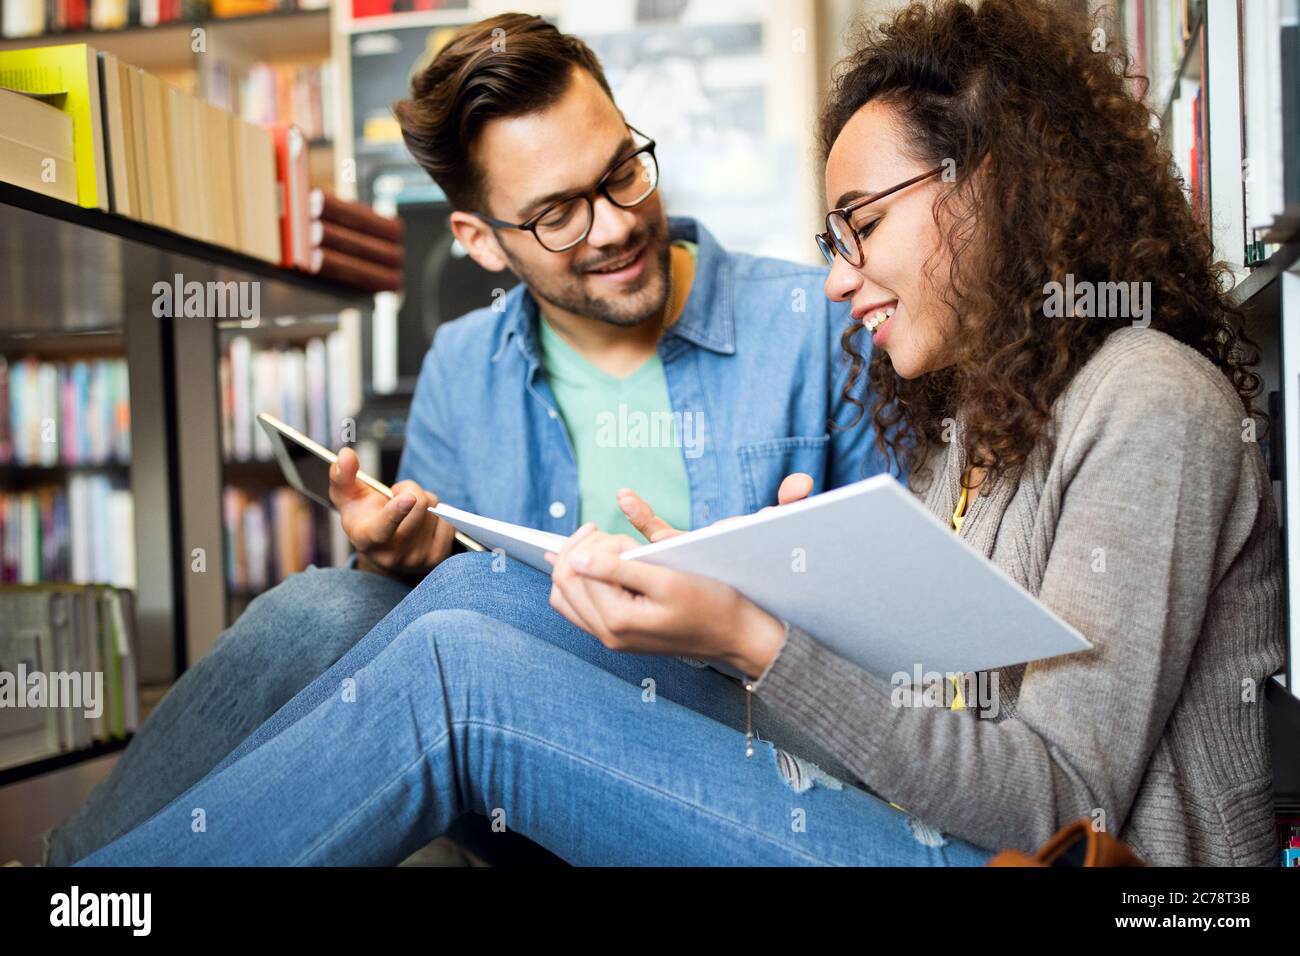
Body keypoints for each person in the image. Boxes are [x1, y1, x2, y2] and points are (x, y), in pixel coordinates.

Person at [76, 0, 1283, 867]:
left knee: (459, 666)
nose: (836, 277)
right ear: (483, 237)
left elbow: (1051, 799)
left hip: (1035, 854)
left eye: (860, 223)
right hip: (909, 800)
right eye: (555, 212)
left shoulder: (1151, 405)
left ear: (993, 184)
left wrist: (757, 631)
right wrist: (763, 601)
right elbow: (934, 705)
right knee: (421, 609)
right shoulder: (979, 412)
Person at [43, 14, 882, 865]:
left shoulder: (817, 323)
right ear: (479, 241)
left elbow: (909, 651)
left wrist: (804, 582)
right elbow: (401, 639)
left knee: (453, 620)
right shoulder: (463, 365)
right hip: (528, 773)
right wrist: (396, 562)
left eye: (622, 170)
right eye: (557, 213)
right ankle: (66, 875)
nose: (616, 226)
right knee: (330, 609)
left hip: (750, 769)